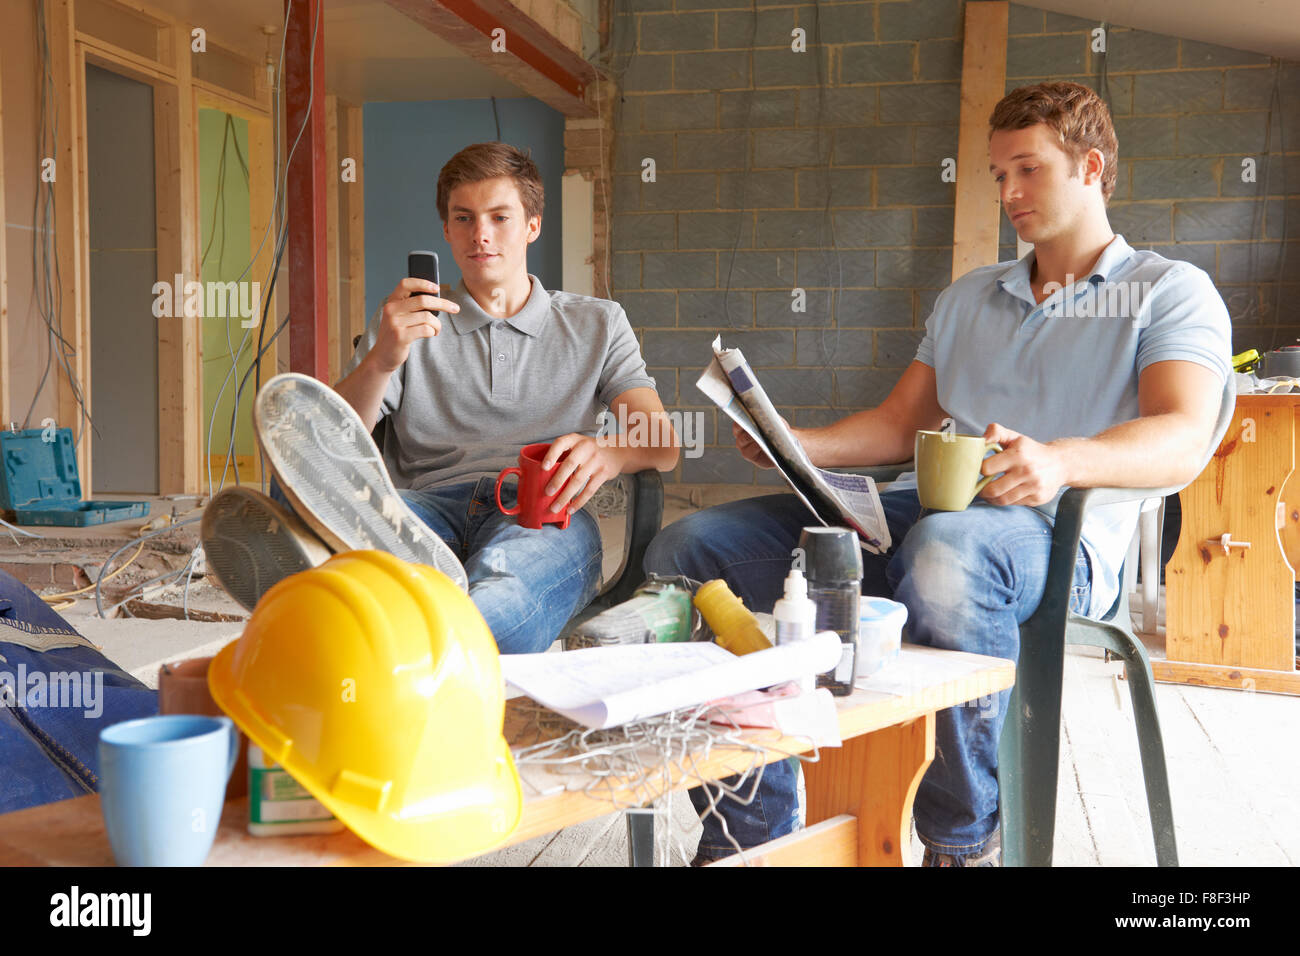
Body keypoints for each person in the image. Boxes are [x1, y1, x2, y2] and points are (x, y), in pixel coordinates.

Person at [644, 81, 1232, 866]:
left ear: (1091, 167)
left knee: (946, 556)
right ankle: (753, 835)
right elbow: (899, 425)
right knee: (692, 552)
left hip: (1056, 539)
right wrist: (797, 442)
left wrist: (1059, 461)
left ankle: (963, 839)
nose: (1008, 193)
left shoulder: (1168, 291)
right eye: (997, 175)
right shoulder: (968, 298)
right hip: (918, 514)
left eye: (1027, 169)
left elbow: (1182, 436)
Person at [206, 142, 678, 653]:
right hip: (416, 515)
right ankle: (365, 588)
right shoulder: (407, 322)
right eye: (464, 218)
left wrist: (609, 453)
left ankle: (364, 613)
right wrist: (382, 359)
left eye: (500, 217)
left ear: (532, 226)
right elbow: (331, 442)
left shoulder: (597, 323)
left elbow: (661, 443)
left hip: (536, 512)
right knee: (314, 483)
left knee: (508, 586)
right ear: (447, 230)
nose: (481, 235)